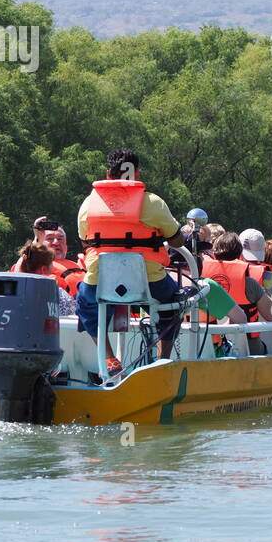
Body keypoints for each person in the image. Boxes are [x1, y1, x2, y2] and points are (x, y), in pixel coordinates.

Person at [76, 148, 188, 375]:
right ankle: (160, 362)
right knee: (172, 307)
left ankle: (108, 358)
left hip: (101, 279)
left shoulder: (88, 204)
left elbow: (84, 242)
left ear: (108, 174)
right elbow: (176, 241)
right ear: (136, 173)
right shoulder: (154, 202)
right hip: (150, 279)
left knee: (86, 306)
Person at [10, 216, 85, 298]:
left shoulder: (79, 264)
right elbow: (19, 279)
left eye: (60, 239)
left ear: (66, 245)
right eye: (50, 239)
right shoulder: (33, 265)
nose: (56, 242)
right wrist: (37, 240)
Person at [12, 240, 76, 315]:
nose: (53, 267)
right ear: (43, 269)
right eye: (52, 264)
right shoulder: (58, 294)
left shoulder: (12, 292)